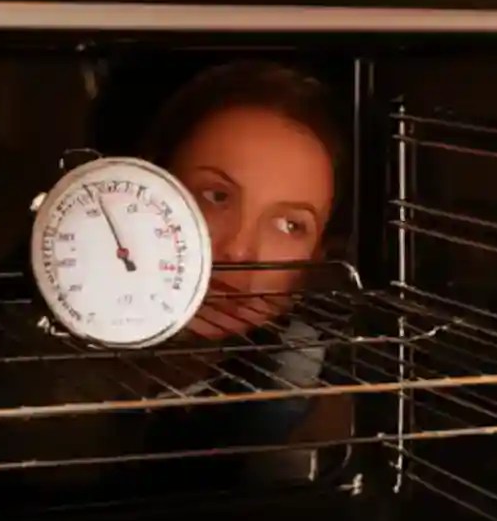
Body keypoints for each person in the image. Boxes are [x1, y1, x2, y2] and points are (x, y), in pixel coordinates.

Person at [140, 60, 349, 456]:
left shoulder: (312, 391)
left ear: (315, 260)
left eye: (290, 225)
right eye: (216, 197)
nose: (239, 250)